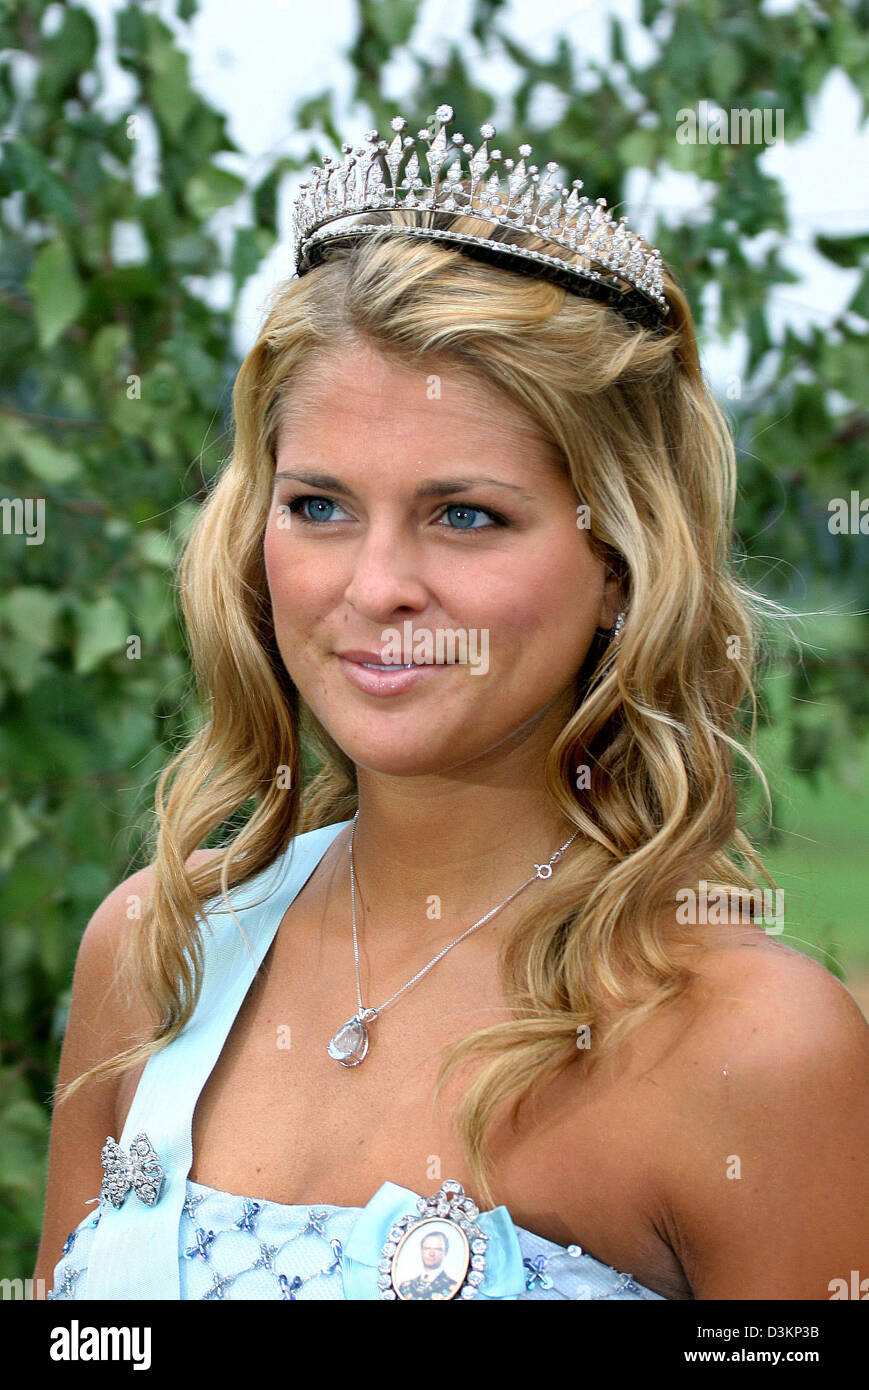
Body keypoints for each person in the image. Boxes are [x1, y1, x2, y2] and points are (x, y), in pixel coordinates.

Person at [34, 106, 869, 1301]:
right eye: (319, 506)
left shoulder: (752, 1047)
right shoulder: (156, 948)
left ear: (619, 564)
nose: (374, 586)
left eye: (464, 515)